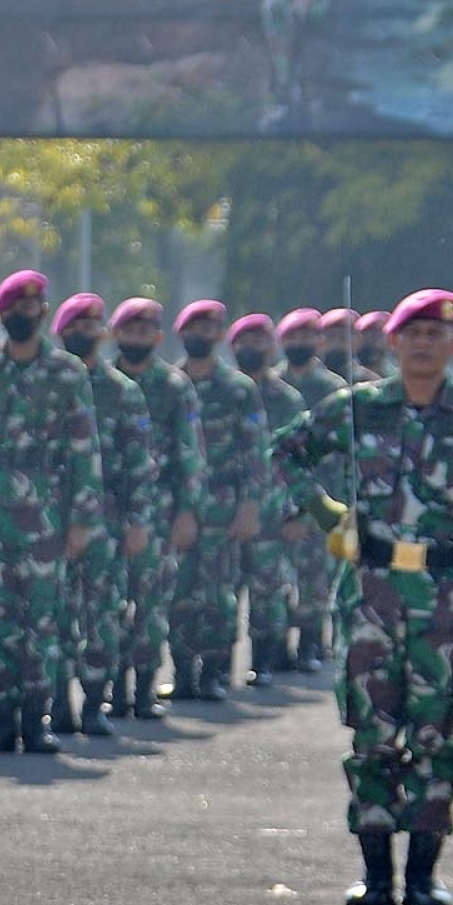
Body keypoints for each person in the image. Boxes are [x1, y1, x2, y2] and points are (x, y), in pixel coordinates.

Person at [272, 290, 453, 905]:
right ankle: (377, 872)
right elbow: (287, 450)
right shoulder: (358, 412)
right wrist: (322, 509)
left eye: (437, 335)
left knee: (435, 734)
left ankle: (423, 874)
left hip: (442, 597)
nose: (423, 345)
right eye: (412, 335)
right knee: (373, 732)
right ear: (394, 344)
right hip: (372, 593)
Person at [0, 270, 103, 754]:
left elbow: (84, 449)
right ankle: (4, 718)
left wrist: (82, 519)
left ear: (44, 313)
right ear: (1, 314)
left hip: (49, 514)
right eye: (13, 309)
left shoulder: (67, 373)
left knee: (43, 621)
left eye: (30, 308)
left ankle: (37, 719)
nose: (22, 315)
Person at [53, 292, 154, 734]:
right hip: (48, 522)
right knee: (52, 615)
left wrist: (139, 521)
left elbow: (140, 463)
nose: (83, 334)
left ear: (103, 333)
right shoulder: (47, 385)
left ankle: (94, 703)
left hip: (107, 524)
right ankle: (56, 703)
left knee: (101, 615)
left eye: (91, 326)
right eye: (74, 326)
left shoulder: (122, 392)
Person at [107, 298, 204, 717]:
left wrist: (187, 511)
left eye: (145, 332)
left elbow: (190, 455)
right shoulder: (101, 382)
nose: (136, 338)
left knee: (150, 604)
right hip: (106, 511)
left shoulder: (174, 385)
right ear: (116, 334)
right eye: (129, 330)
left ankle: (144, 690)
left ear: (158, 337)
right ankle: (113, 689)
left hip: (159, 514)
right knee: (107, 605)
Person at [167, 301, 269, 699]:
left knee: (216, 593)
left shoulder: (238, 389)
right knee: (176, 590)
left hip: (225, 504)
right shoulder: (172, 383)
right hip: (176, 506)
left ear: (221, 336)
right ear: (181, 333)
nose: (202, 336)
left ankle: (213, 670)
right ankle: (181, 671)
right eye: (194, 328)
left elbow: (257, 452)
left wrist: (250, 506)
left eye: (210, 329)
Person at [229, 313, 306, 686]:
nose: (253, 349)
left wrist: (298, 511)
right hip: (225, 508)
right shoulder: (226, 390)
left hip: (275, 510)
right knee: (221, 589)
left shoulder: (288, 399)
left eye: (261, 342)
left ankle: (265, 661)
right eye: (246, 342)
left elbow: (301, 459)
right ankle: (216, 666)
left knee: (268, 589)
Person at [278, 307, 348, 669]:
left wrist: (312, 505)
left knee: (314, 575)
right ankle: (277, 647)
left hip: (322, 495)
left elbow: (333, 458)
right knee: (277, 577)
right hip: (278, 497)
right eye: (293, 337)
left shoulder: (333, 390)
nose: (300, 344)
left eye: (307, 337)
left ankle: (310, 644)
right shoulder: (274, 385)